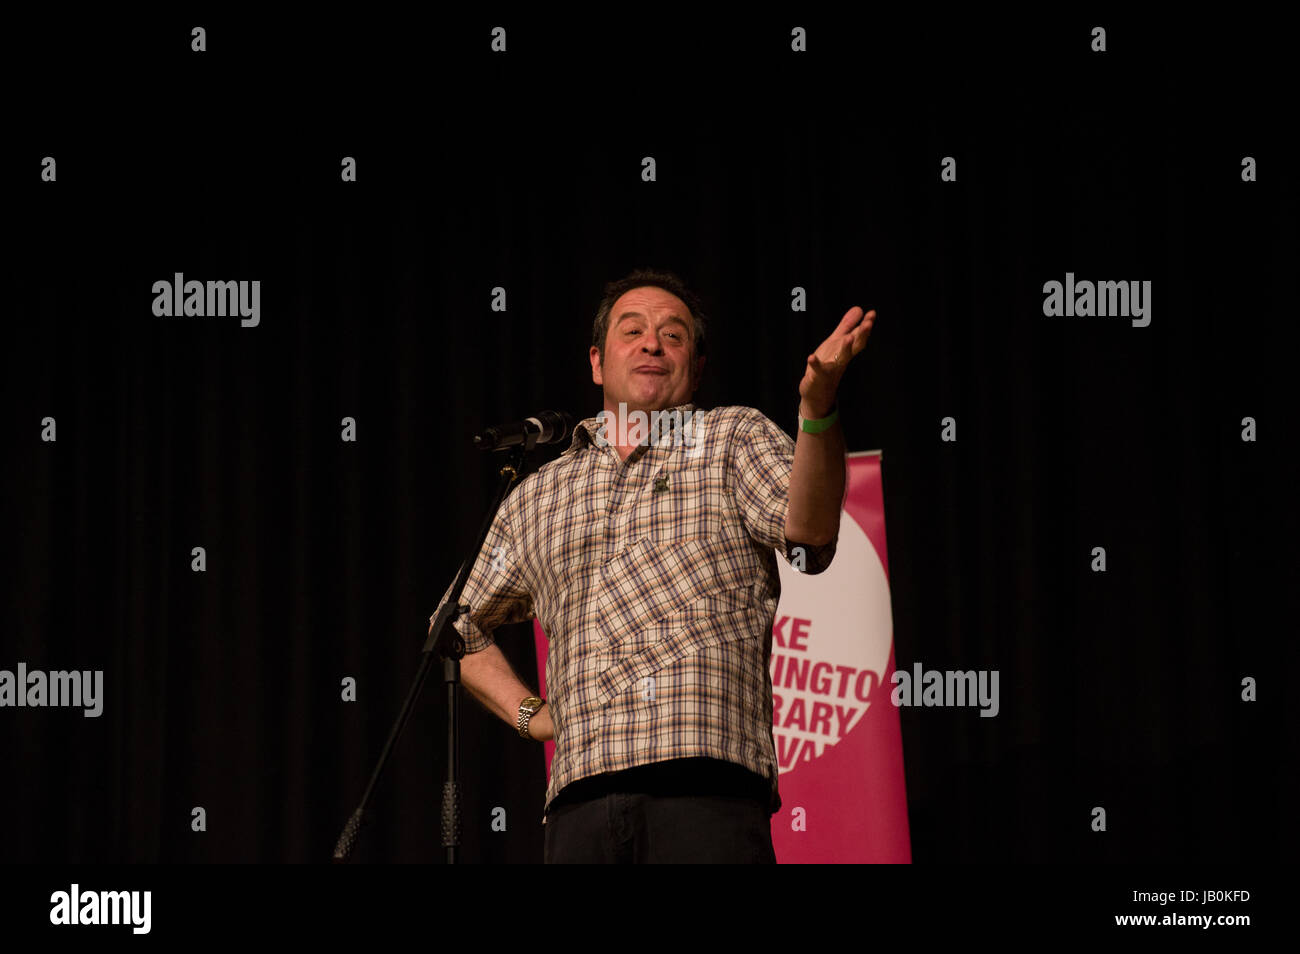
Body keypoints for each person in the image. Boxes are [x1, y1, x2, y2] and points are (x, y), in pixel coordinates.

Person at [429, 268, 876, 862]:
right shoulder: (537, 493)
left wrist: (817, 408)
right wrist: (530, 715)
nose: (651, 344)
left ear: (695, 366)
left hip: (707, 793)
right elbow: (452, 626)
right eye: (632, 330)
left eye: (673, 335)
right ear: (596, 362)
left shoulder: (732, 436)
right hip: (578, 805)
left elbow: (810, 531)